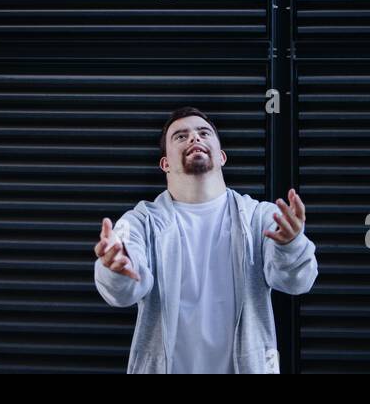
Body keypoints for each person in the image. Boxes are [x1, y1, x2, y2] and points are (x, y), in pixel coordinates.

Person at [93, 106, 318, 373]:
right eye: (180, 136)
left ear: (222, 156)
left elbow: (297, 282)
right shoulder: (140, 221)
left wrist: (290, 245)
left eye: (203, 133)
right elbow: (122, 291)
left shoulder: (260, 217)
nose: (194, 138)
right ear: (165, 163)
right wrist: (116, 269)